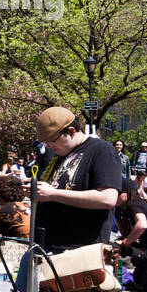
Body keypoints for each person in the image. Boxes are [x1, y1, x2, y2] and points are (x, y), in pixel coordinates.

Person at [31, 106, 122, 253]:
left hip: (79, 253)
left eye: (52, 140)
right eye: (45, 142)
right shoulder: (60, 154)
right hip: (46, 248)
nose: (48, 146)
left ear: (71, 132)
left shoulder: (101, 151)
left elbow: (108, 198)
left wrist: (53, 194)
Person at [114, 179, 147, 255]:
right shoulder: (140, 202)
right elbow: (126, 234)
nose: (114, 196)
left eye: (118, 193)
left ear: (128, 192)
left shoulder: (133, 204)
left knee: (113, 247)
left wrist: (125, 242)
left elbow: (142, 225)